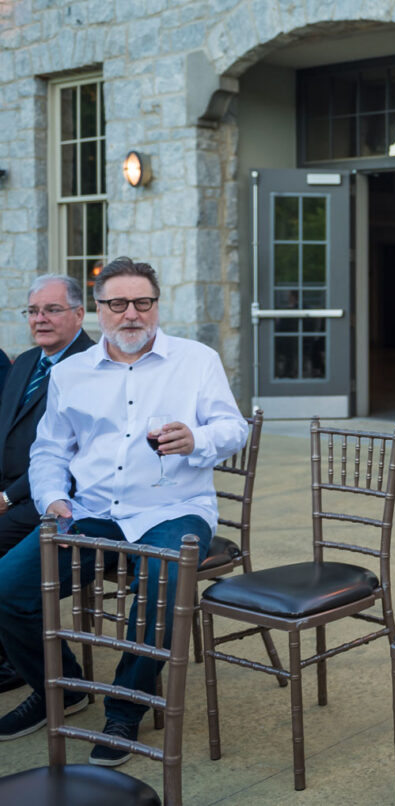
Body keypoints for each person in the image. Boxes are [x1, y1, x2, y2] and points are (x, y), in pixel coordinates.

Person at [0, 257, 248, 767]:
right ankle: (61, 687)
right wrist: (53, 501)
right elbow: (49, 451)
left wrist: (197, 438)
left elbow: (234, 428)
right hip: (89, 510)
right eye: (118, 303)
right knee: (7, 588)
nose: (131, 314)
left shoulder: (196, 360)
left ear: (156, 306)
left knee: (159, 583)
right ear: (99, 310)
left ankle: (125, 708)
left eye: (143, 302)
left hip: (172, 507)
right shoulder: (70, 373)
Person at [0, 274, 95, 692]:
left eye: (52, 310)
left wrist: (7, 496)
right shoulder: (24, 362)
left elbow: (69, 457)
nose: (40, 319)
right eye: (33, 311)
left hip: (59, 501)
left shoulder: (93, 367)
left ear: (78, 314)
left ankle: (30, 670)